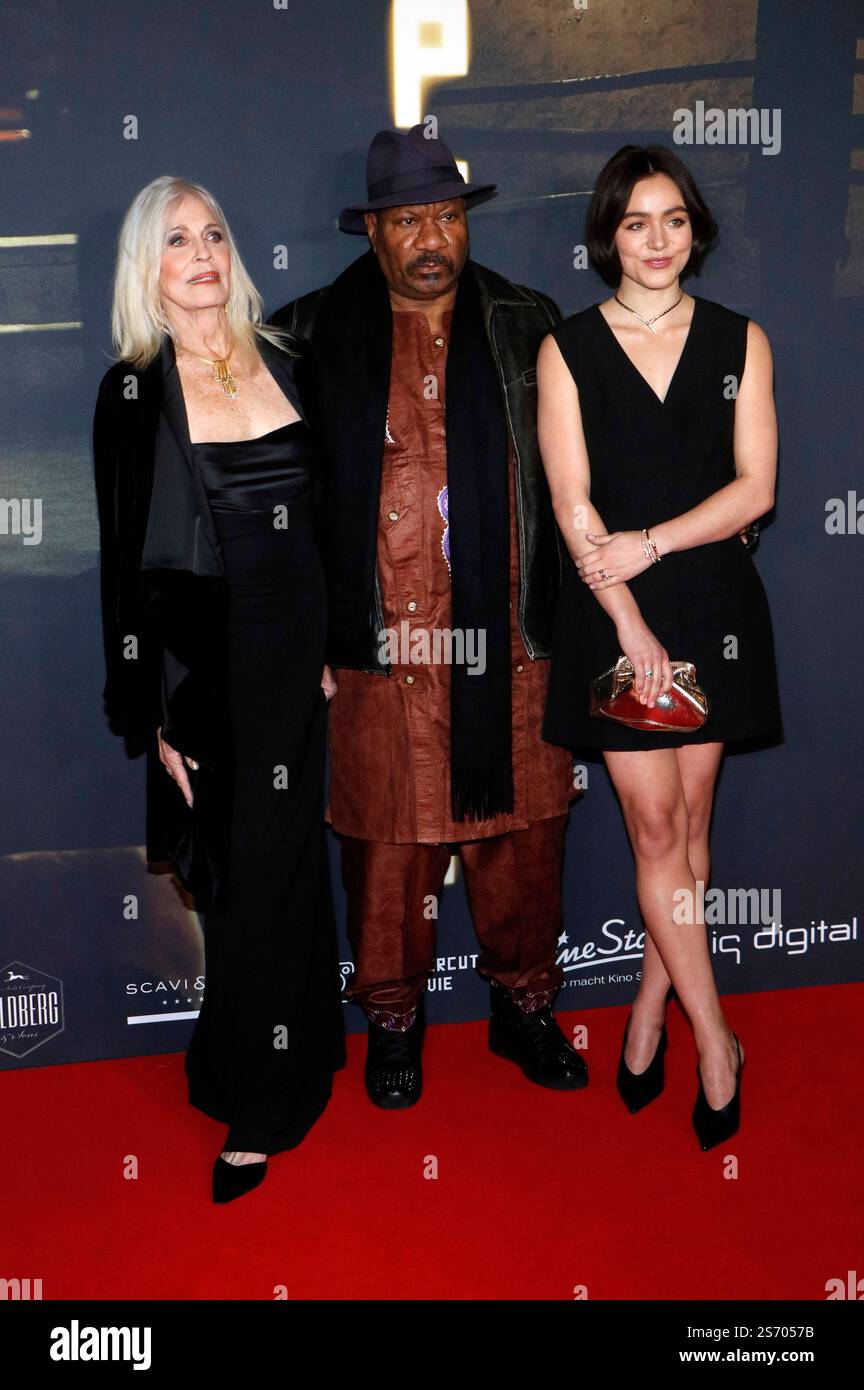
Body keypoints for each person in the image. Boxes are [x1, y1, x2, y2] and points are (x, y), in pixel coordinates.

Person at [271, 124, 587, 1107]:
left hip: (510, 633)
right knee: (387, 850)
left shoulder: (530, 322)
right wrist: (308, 635)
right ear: (372, 232)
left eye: (445, 215)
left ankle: (523, 1009)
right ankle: (396, 1021)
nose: (430, 237)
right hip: (380, 643)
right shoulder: (309, 334)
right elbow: (277, 500)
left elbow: (583, 476)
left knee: (522, 839)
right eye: (407, 219)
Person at [93, 175, 346, 1202]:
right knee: (243, 873)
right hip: (212, 669)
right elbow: (123, 564)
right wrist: (150, 711)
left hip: (298, 655)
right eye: (176, 241)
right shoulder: (133, 390)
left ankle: (296, 1052)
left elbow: (329, 518)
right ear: (145, 268)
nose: (202, 254)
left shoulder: (288, 358)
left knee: (289, 861)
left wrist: (332, 643)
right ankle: (251, 1087)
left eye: (213, 234)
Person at [539, 144, 783, 1151]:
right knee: (654, 837)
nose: (655, 240)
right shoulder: (569, 348)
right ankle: (715, 1039)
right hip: (611, 615)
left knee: (688, 828)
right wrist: (629, 615)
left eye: (673, 219)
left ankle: (647, 1014)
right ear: (609, 235)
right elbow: (571, 504)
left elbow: (755, 489)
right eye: (635, 222)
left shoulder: (739, 340)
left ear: (695, 230)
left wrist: (660, 542)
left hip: (714, 601)